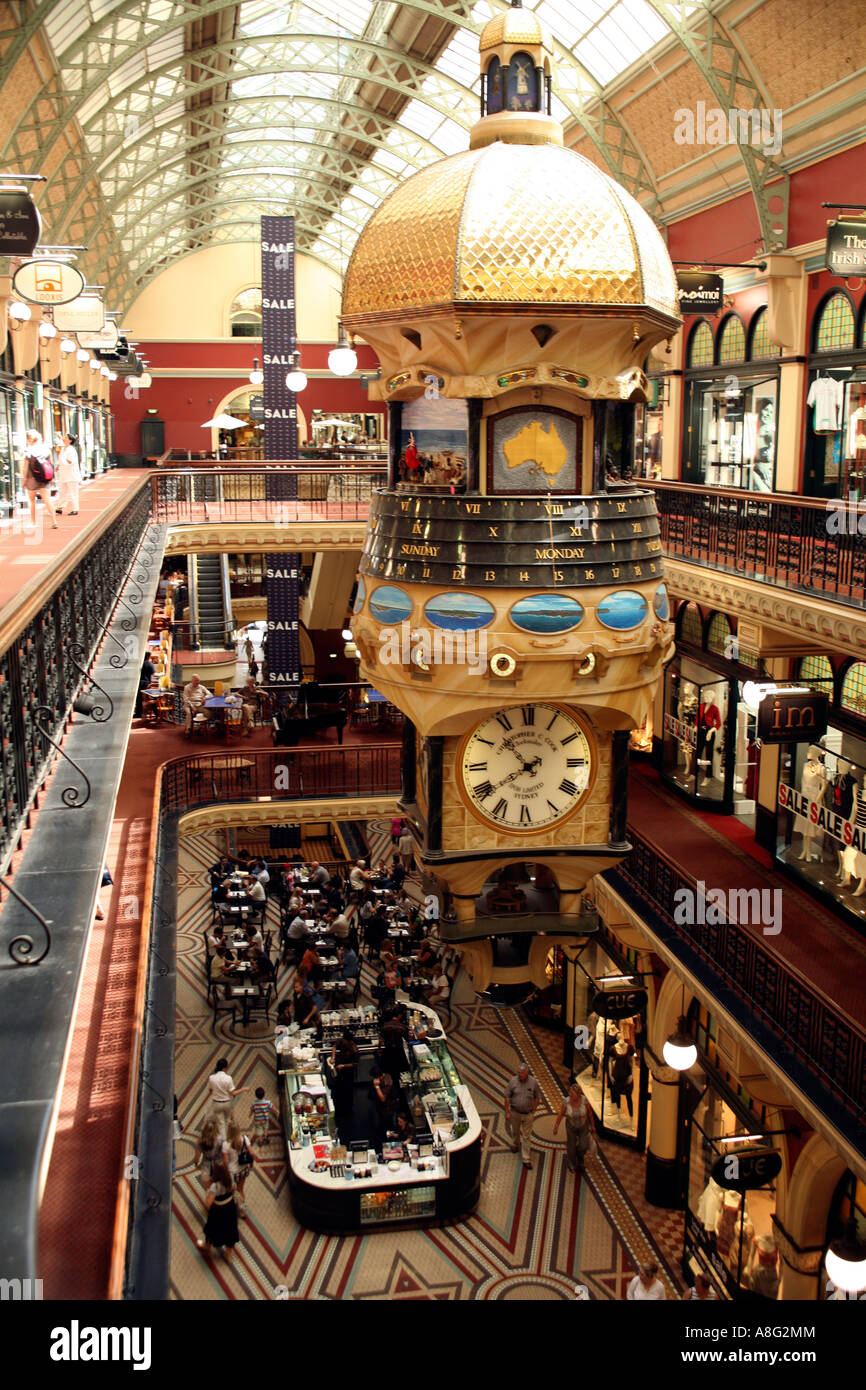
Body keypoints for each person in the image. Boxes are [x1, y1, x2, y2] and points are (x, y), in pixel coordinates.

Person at [197, 1160, 240, 1260]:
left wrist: (207, 1195)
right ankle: (228, 1253)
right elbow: (234, 1189)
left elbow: (209, 1203)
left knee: (212, 1228)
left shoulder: (215, 1186)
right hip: (230, 1207)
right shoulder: (231, 1179)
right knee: (230, 1228)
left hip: (218, 1210)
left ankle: (207, 1246)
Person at [504, 1063, 541, 1170]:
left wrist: (534, 1109)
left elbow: (538, 1097)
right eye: (518, 1073)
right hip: (515, 1112)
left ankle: (526, 1158)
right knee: (515, 1131)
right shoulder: (513, 1081)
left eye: (521, 1073)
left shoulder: (533, 1082)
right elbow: (507, 1097)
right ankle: (516, 1144)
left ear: (527, 1073)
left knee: (526, 1136)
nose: (519, 1075)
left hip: (528, 1114)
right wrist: (507, 1112)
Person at [552, 1082, 595, 1174]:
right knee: (571, 1145)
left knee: (583, 1146)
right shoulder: (566, 1101)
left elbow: (590, 1113)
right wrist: (556, 1126)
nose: (570, 1095)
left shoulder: (584, 1100)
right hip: (571, 1126)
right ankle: (571, 1163)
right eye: (570, 1093)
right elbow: (561, 1113)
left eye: (572, 1093)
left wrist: (593, 1125)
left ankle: (580, 1157)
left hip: (583, 1126)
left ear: (578, 1094)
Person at [20, 429, 59, 530]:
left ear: (29, 439)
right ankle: (54, 521)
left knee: (32, 500)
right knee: (47, 500)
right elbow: (50, 464)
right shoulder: (45, 449)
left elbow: (25, 467)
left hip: (31, 479)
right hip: (44, 478)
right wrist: (53, 477)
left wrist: (23, 480)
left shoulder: (28, 451)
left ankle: (33, 522)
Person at [206, 1058, 248, 1136]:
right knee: (226, 1121)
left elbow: (210, 1091)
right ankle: (225, 1140)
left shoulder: (211, 1078)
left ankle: (222, 1138)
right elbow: (233, 1093)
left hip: (216, 1103)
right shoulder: (228, 1078)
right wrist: (243, 1089)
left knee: (220, 1122)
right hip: (227, 1103)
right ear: (225, 1068)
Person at [330, 1031, 359, 1120]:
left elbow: (355, 1064)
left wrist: (343, 1066)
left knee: (348, 1090)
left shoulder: (354, 1050)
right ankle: (339, 1107)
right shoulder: (342, 1041)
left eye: (345, 1041)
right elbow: (334, 1047)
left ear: (349, 1041)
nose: (343, 1042)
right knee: (339, 1088)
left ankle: (348, 1109)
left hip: (348, 1071)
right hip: (341, 1069)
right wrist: (333, 1057)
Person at [54, 432, 82, 514]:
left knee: (73, 492)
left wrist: (62, 462)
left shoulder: (71, 450)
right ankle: (60, 507)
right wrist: (58, 466)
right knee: (62, 491)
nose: (63, 438)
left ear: (70, 440)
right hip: (63, 474)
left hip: (71, 474)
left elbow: (70, 462)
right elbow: (61, 460)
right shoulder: (63, 449)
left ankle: (75, 509)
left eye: (65, 437)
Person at [135, 652, 155, 718]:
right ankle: (151, 712)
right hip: (146, 684)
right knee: (149, 698)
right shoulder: (150, 664)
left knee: (139, 698)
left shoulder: (140, 664)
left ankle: (138, 713)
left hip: (139, 682)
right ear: (149, 657)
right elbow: (153, 674)